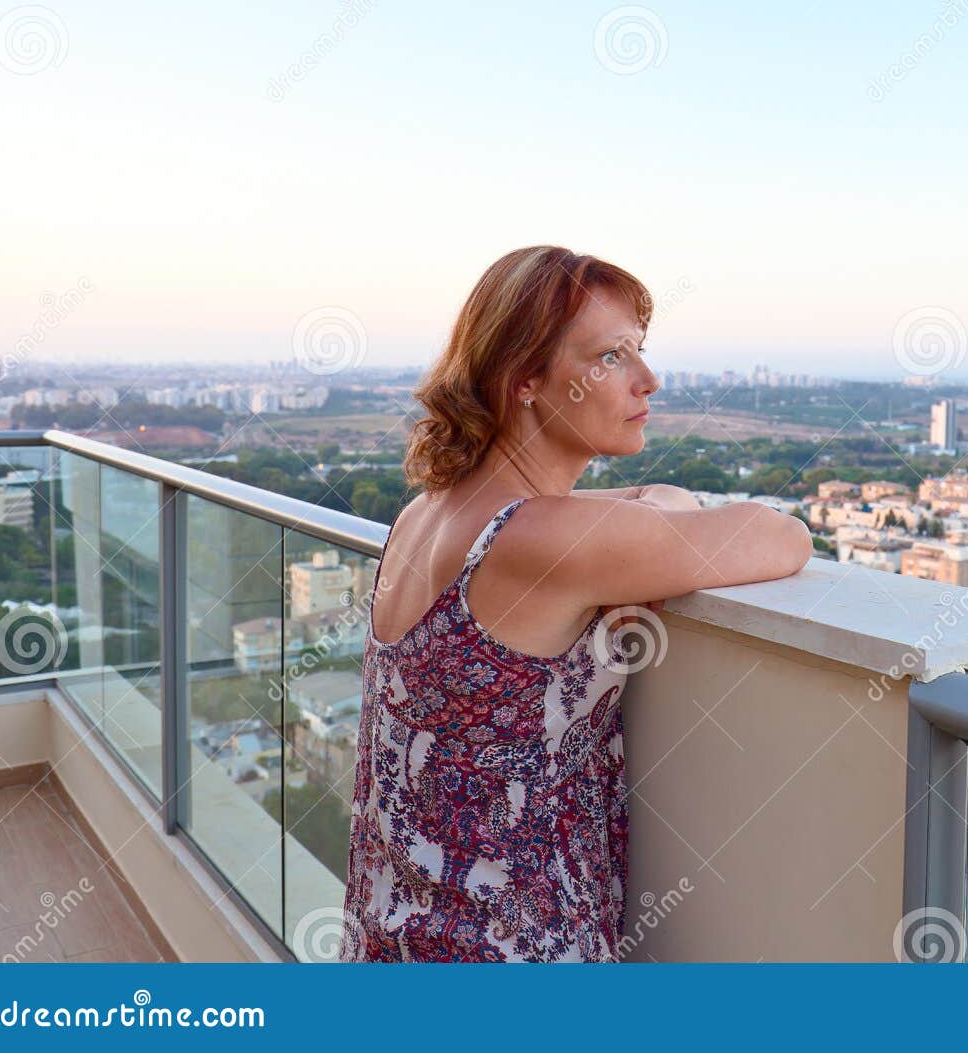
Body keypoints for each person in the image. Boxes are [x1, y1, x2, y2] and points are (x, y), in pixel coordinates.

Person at [337, 245, 813, 961]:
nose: (648, 380)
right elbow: (784, 537)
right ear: (525, 377)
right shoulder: (549, 540)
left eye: (640, 350)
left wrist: (651, 520)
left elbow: (615, 523)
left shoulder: (426, 513)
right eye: (611, 356)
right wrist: (662, 514)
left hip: (392, 939)